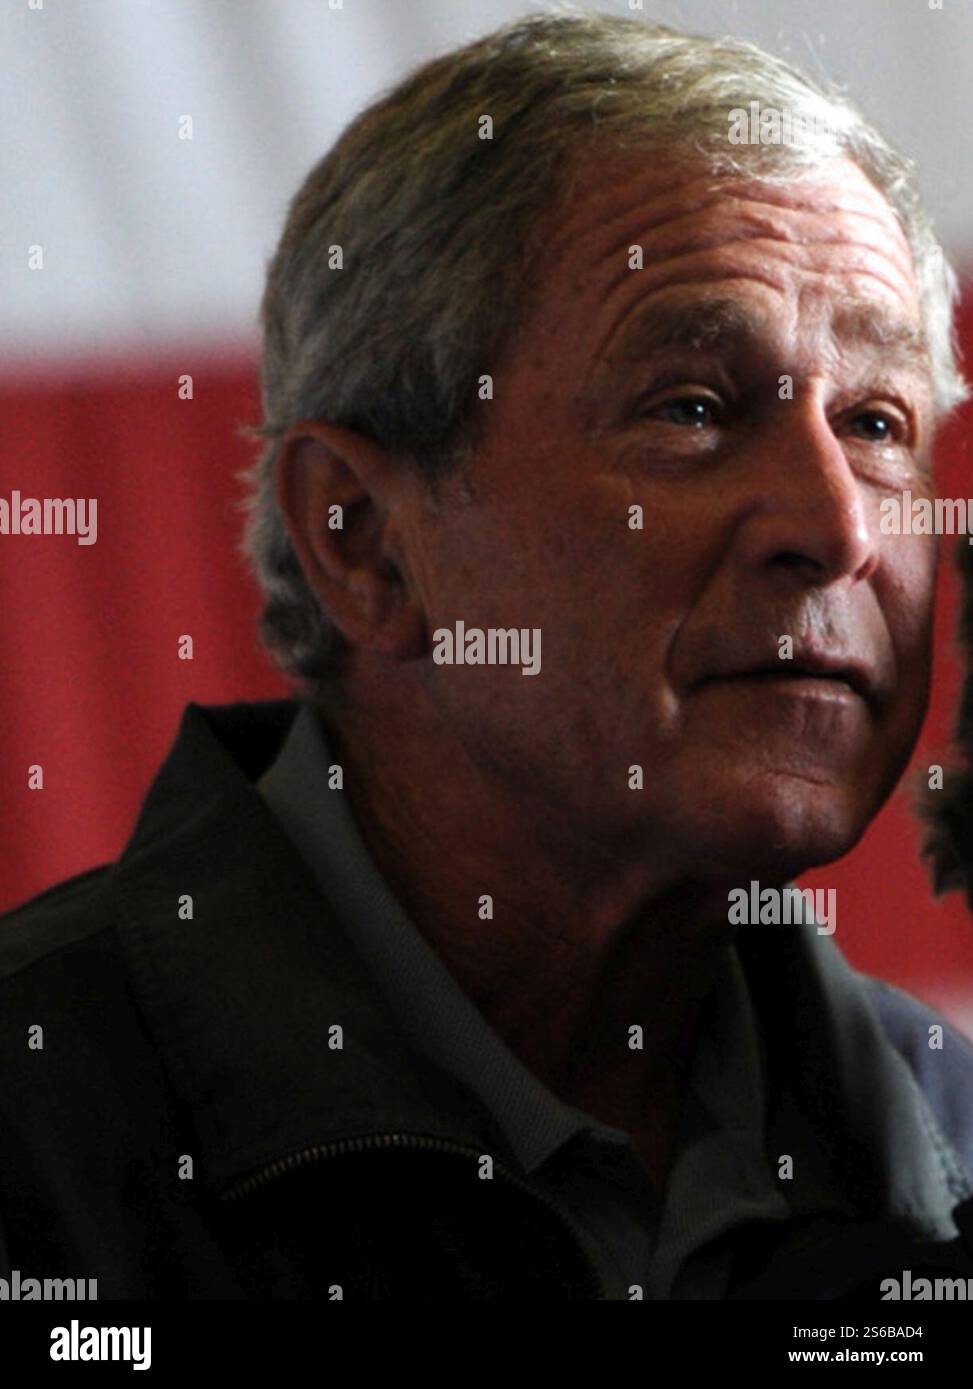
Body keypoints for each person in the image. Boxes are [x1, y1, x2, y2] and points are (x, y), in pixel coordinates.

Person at [2, 12, 973, 1301]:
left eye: (877, 420)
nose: (840, 526)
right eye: (690, 407)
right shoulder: (36, 1139)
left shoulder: (951, 1154)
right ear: (364, 543)